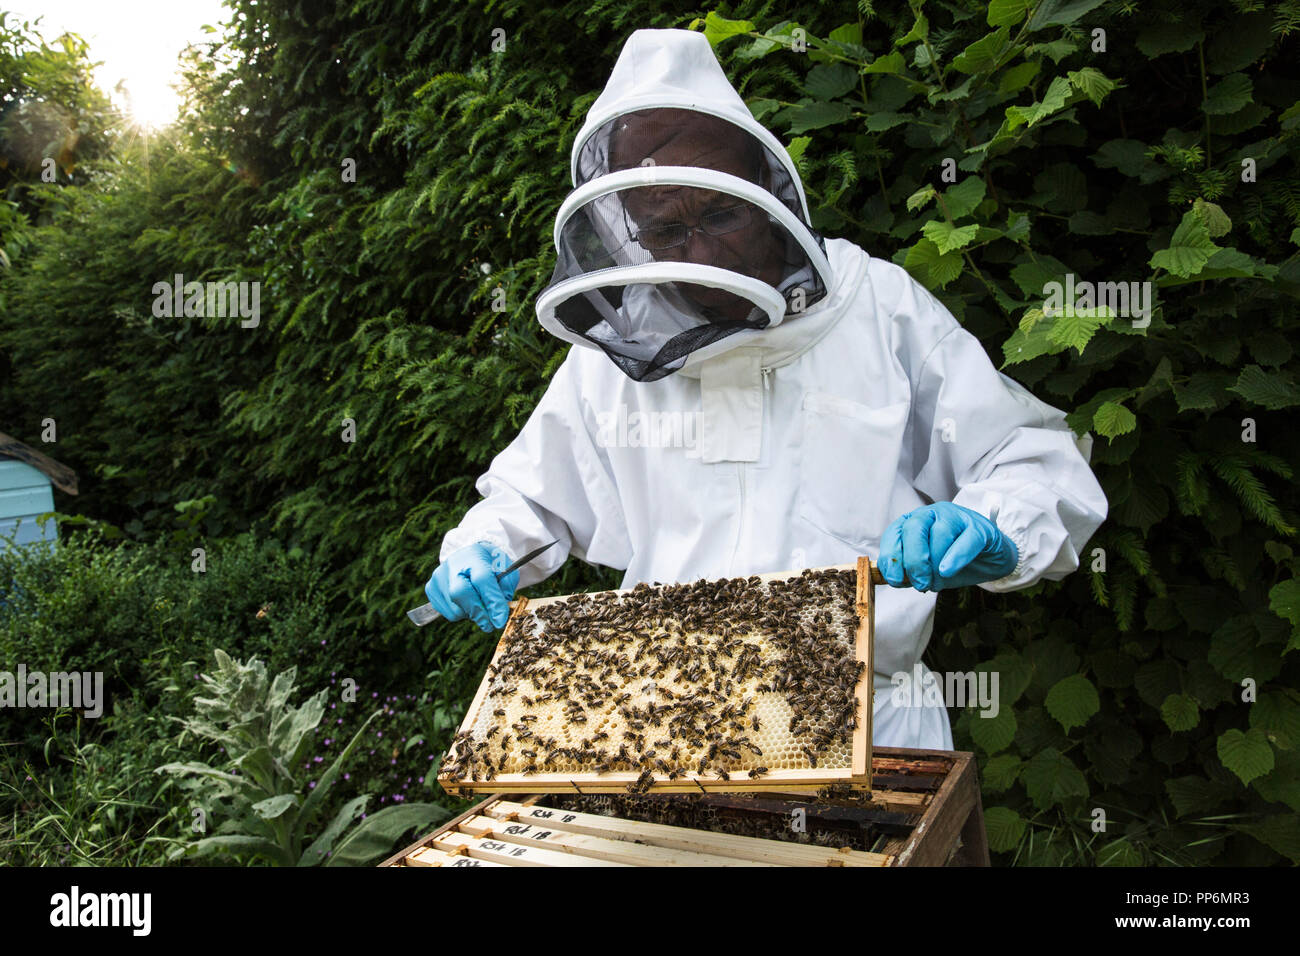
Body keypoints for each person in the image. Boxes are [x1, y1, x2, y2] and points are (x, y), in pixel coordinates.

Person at [422, 28, 1108, 750]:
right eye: (665, 230)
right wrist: (484, 548)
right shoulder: (614, 354)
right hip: (667, 733)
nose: (701, 252)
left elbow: (1029, 459)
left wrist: (992, 525)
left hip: (868, 729)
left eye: (720, 215)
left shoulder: (877, 306)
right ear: (629, 230)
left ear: (762, 187)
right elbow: (533, 498)